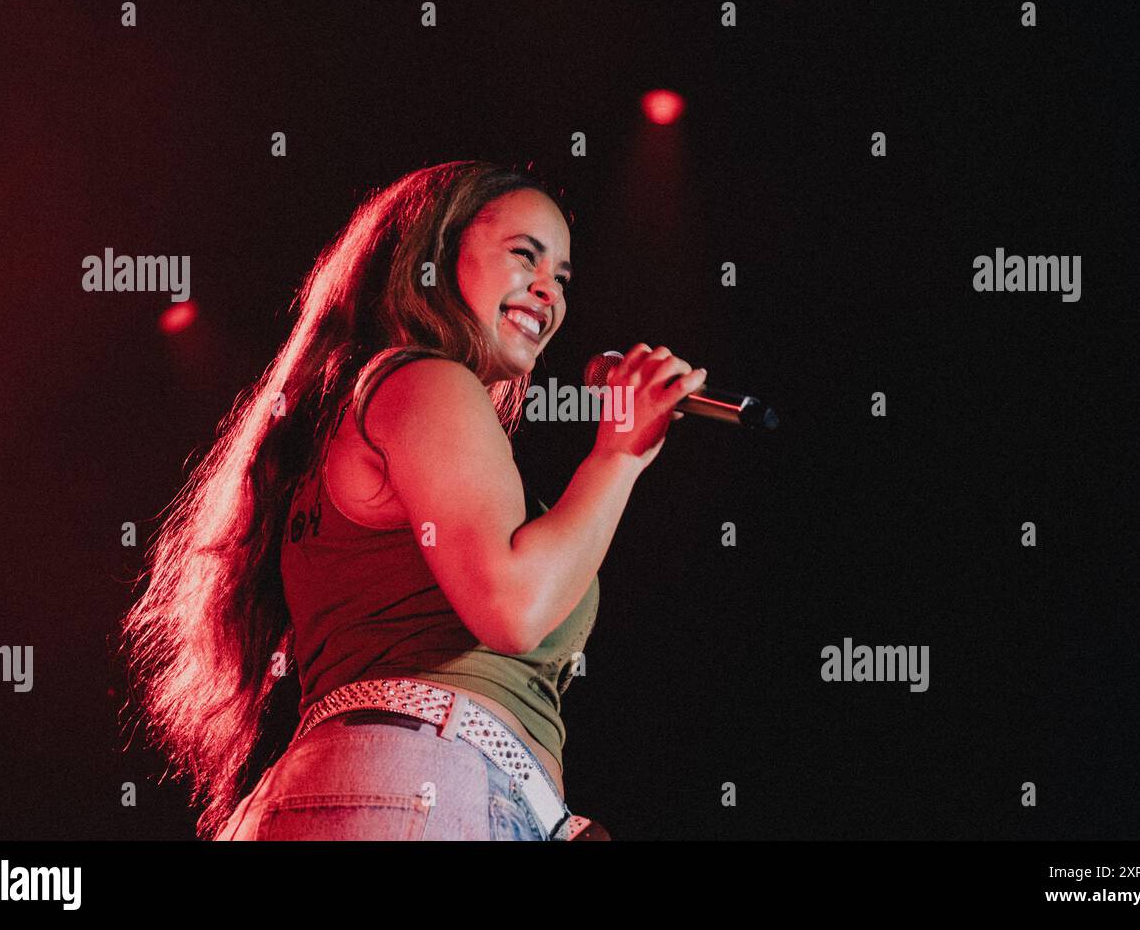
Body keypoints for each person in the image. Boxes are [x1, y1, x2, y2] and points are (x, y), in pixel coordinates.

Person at [119, 160, 707, 840]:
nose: (548, 291)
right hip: (419, 783)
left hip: (374, 786)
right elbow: (512, 607)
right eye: (525, 257)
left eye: (563, 278)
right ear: (435, 255)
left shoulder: (364, 409)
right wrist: (619, 454)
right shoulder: (424, 381)